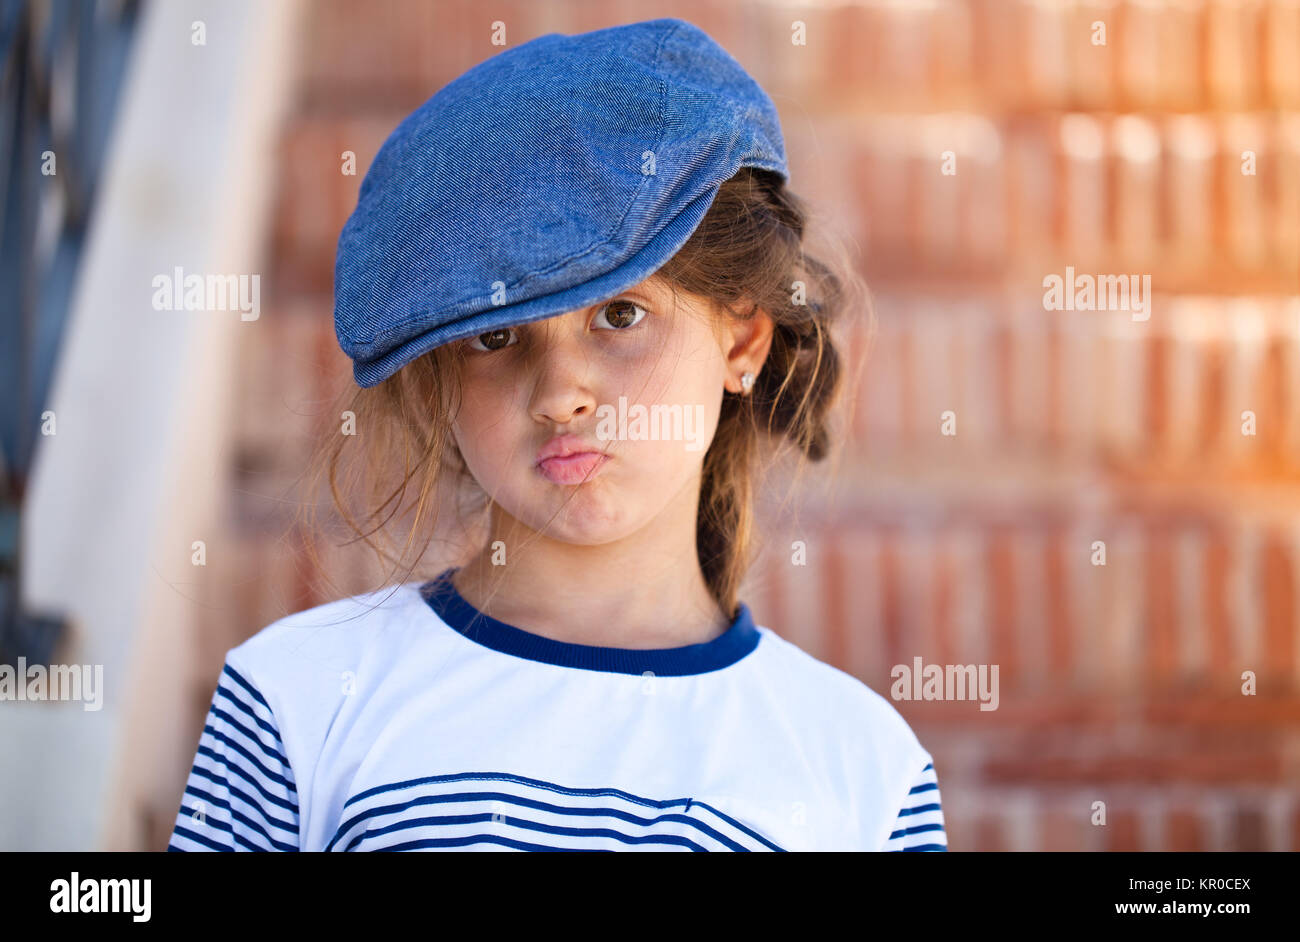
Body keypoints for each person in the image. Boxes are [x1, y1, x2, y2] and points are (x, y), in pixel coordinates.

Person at [167, 17, 947, 852]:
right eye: (495, 337)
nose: (560, 393)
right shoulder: (298, 698)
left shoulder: (861, 768)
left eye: (620, 315)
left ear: (742, 341)